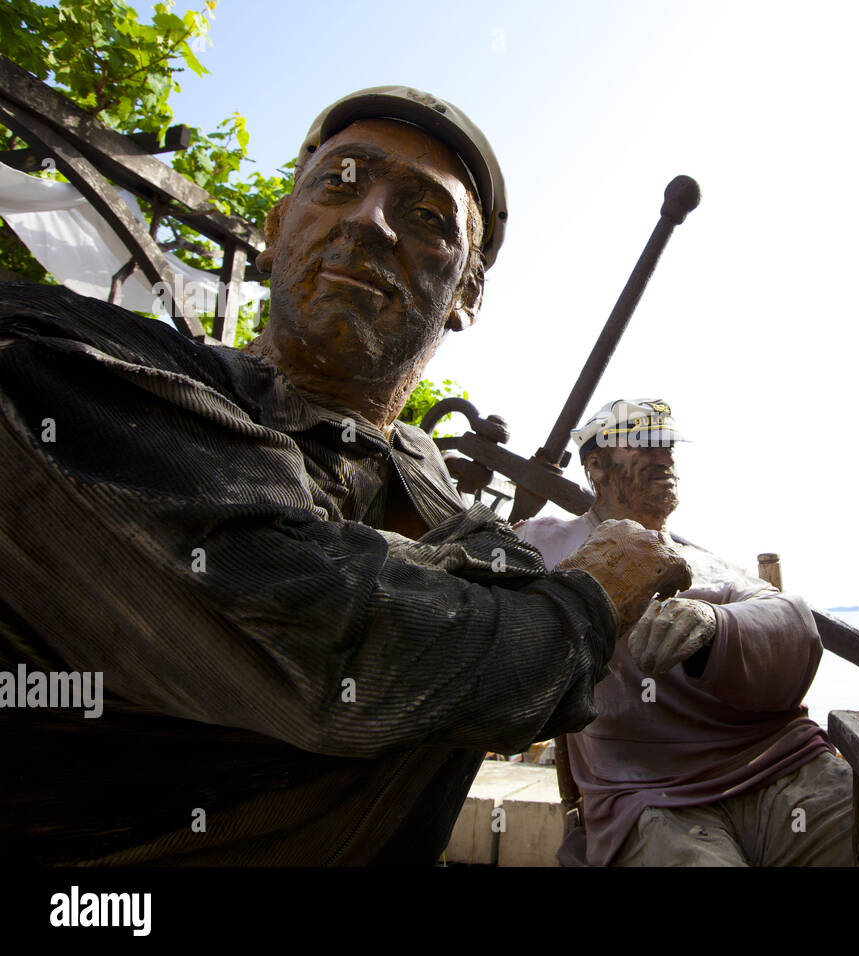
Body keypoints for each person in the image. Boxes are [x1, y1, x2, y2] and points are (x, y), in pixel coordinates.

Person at [0, 87, 689, 865]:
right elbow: (327, 640)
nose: (369, 220)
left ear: (466, 294)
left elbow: (475, 635)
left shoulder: (423, 477)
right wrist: (587, 600)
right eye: (340, 183)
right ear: (272, 231)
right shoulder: (77, 361)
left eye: (427, 215)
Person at [515, 399, 852, 867]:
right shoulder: (541, 543)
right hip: (644, 791)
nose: (665, 455)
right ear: (596, 463)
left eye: (668, 445)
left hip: (776, 764)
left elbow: (791, 621)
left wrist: (717, 624)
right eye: (645, 444)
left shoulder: (712, 570)